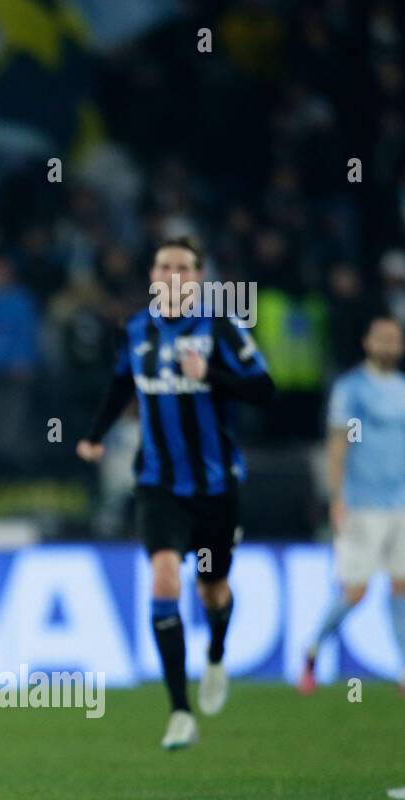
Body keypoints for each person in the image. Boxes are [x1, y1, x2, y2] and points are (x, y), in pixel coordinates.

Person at [77, 237, 274, 749]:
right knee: (164, 575)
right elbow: (120, 384)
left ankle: (215, 655)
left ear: (199, 277)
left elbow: (264, 391)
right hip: (158, 485)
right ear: (152, 273)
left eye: (183, 268)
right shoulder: (137, 329)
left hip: (214, 487)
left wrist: (212, 375)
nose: (172, 275)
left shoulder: (222, 328)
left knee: (212, 589)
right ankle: (179, 711)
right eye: (164, 265)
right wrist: (94, 436)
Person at [300, 317, 405, 694]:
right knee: (356, 591)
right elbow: (338, 444)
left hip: (402, 504)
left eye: (395, 339)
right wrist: (337, 497)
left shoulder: (404, 390)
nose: (389, 345)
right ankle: (312, 649)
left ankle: (404, 670)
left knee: (401, 586)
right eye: (382, 338)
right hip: (362, 503)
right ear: (367, 342)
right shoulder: (352, 389)